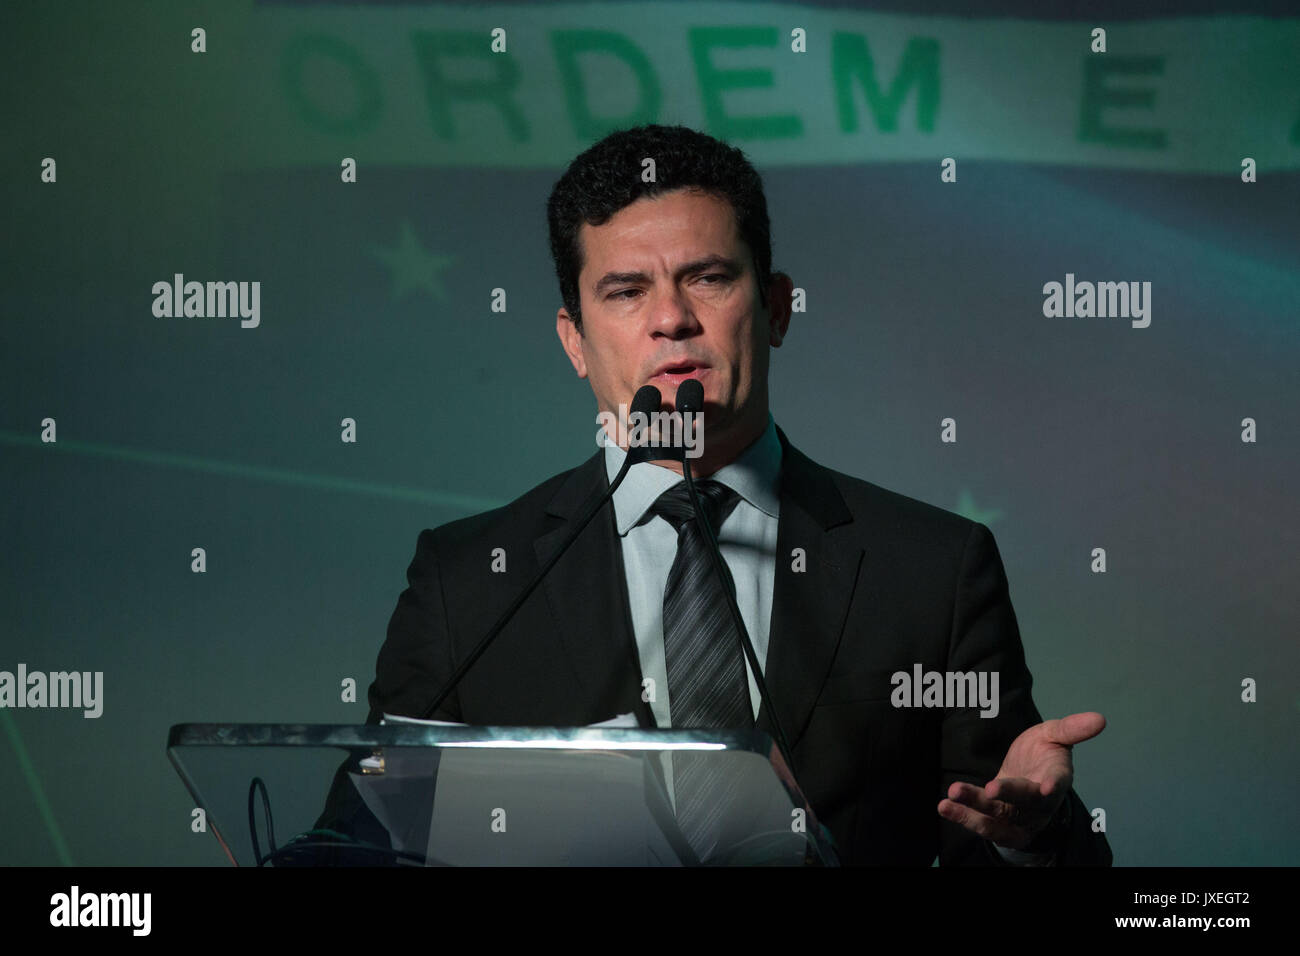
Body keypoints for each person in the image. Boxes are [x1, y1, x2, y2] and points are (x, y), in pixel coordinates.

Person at [362, 124, 1111, 866]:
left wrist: (1035, 842)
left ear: (777, 307)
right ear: (574, 341)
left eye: (709, 278)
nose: (671, 320)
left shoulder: (934, 571)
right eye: (626, 291)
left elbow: (1001, 821)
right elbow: (361, 832)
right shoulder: (466, 582)